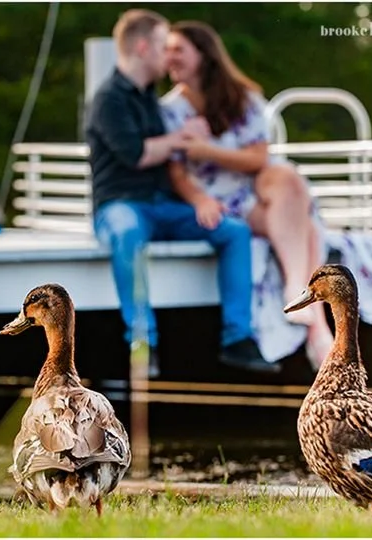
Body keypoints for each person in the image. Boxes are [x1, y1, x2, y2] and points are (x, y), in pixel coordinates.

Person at [84, 9, 278, 378]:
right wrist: (183, 139)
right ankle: (143, 342)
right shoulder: (108, 99)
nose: (168, 56)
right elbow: (138, 154)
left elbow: (174, 159)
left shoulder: (151, 98)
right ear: (142, 48)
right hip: (121, 205)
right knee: (127, 233)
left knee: (234, 231)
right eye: (162, 46)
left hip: (163, 206)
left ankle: (238, 338)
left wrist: (199, 180)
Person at [160, 20, 334, 370]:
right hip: (213, 199)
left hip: (252, 188)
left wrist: (207, 150)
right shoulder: (168, 111)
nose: (169, 57)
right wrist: (200, 201)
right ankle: (317, 325)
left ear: (203, 54)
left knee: (288, 178)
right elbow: (175, 174)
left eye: (178, 49)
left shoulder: (244, 98)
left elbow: (257, 158)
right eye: (166, 49)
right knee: (308, 230)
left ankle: (297, 293)